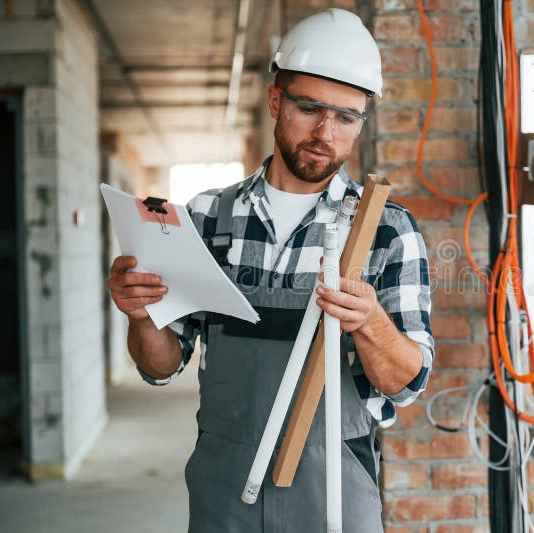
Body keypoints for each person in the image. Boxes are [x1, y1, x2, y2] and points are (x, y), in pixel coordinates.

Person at [106, 8, 434, 533]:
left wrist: (369, 321)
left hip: (334, 491)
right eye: (309, 108)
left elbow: (408, 383)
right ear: (276, 100)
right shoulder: (208, 217)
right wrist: (142, 316)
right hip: (224, 489)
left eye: (346, 117)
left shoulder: (386, 230)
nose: (325, 132)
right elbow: (161, 367)